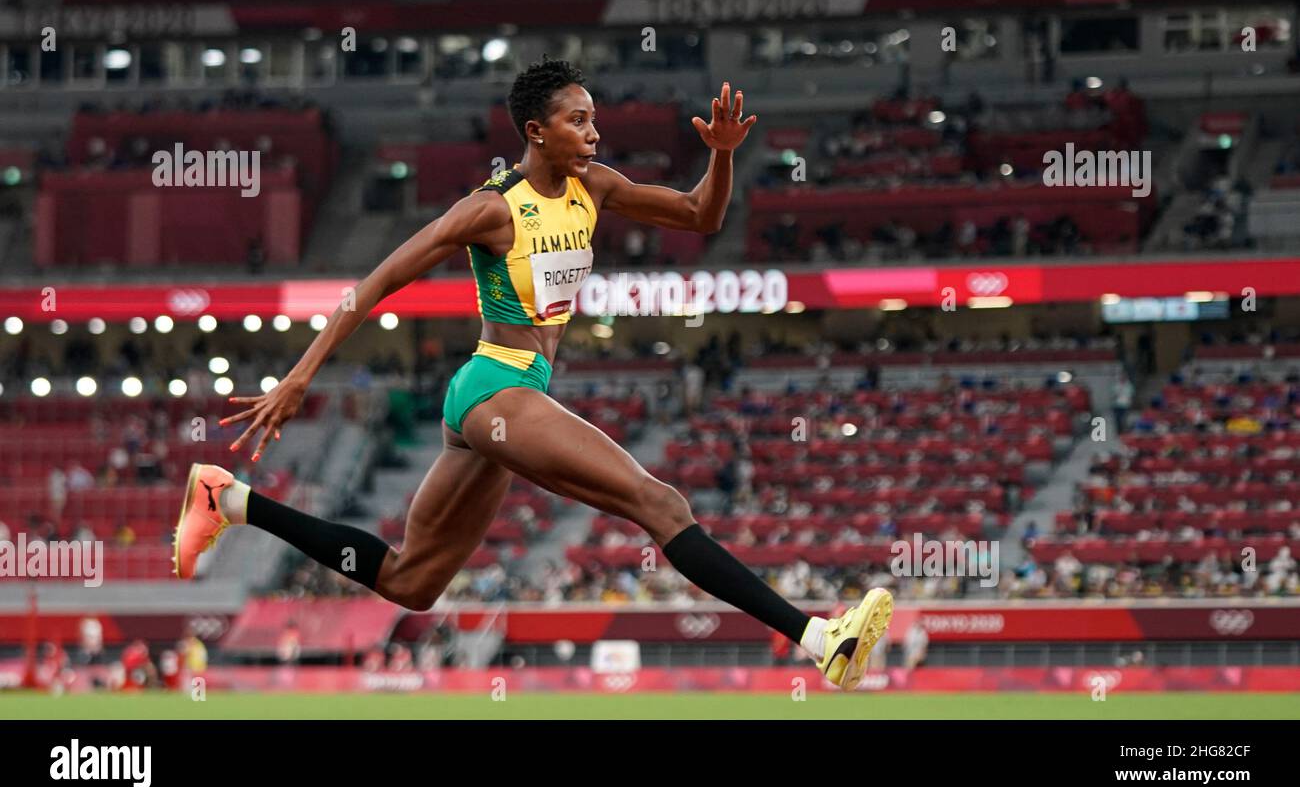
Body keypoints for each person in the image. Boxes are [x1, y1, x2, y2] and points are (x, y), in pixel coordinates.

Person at [173, 59, 893, 691]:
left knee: (409, 582)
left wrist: (725, 157)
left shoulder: (596, 186)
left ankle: (228, 500)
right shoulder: (489, 209)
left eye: (595, 121)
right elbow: (373, 284)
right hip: (494, 386)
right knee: (661, 502)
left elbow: (701, 214)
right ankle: (819, 639)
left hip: (512, 397)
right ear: (536, 130)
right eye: (578, 121)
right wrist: (300, 377)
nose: (594, 133)